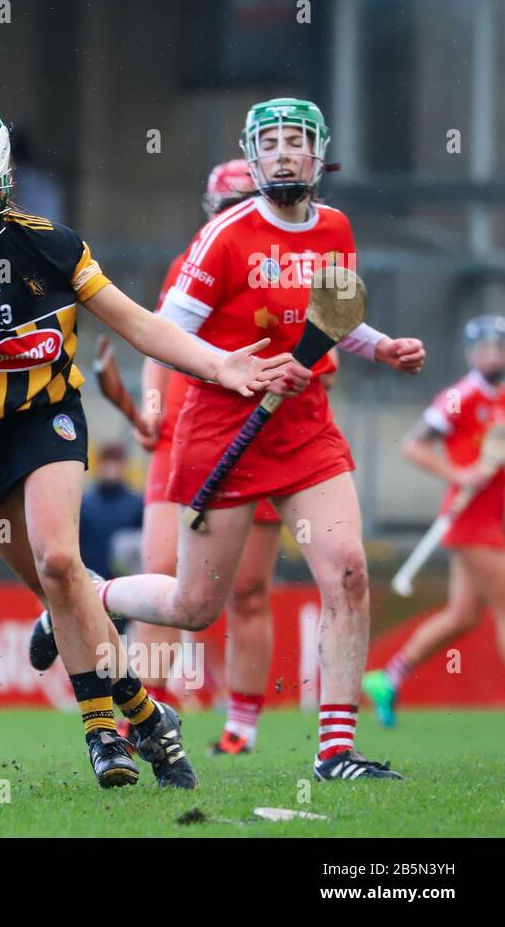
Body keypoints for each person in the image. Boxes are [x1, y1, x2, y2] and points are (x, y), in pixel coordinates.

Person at [0, 104, 289, 789]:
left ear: (5, 185)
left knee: (58, 559)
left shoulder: (49, 246)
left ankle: (102, 736)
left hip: (47, 417)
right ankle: (147, 717)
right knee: (67, 589)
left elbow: (135, 322)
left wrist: (218, 364)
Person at [79, 98, 425, 781]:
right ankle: (91, 597)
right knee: (195, 606)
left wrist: (381, 347)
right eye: (270, 143)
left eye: (297, 141)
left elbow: (331, 319)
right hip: (223, 425)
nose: (285, 153)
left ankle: (335, 752)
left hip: (303, 428)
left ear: (319, 153)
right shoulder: (225, 238)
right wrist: (238, 370)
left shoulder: (335, 227)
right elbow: (164, 336)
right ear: (255, 154)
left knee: (348, 571)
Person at [30, 159, 339, 755]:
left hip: (266, 435)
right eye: (222, 207)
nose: (230, 219)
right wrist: (151, 409)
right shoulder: (195, 262)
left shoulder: (298, 269)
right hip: (189, 437)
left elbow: (328, 354)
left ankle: (241, 730)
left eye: (240, 204)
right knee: (166, 586)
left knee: (247, 589)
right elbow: (156, 345)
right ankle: (140, 718)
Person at [364, 315, 505, 725]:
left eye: (498, 346)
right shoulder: (461, 396)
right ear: (470, 352)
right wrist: (458, 474)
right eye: (484, 346)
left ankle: (388, 679)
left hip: (490, 517)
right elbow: (413, 446)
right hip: (470, 519)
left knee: (463, 615)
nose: (491, 353)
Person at [76, 443, 143, 580]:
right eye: (107, 462)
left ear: (124, 466)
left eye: (116, 463)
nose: (111, 468)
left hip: (125, 583)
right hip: (89, 581)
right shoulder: (83, 502)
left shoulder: (137, 504)